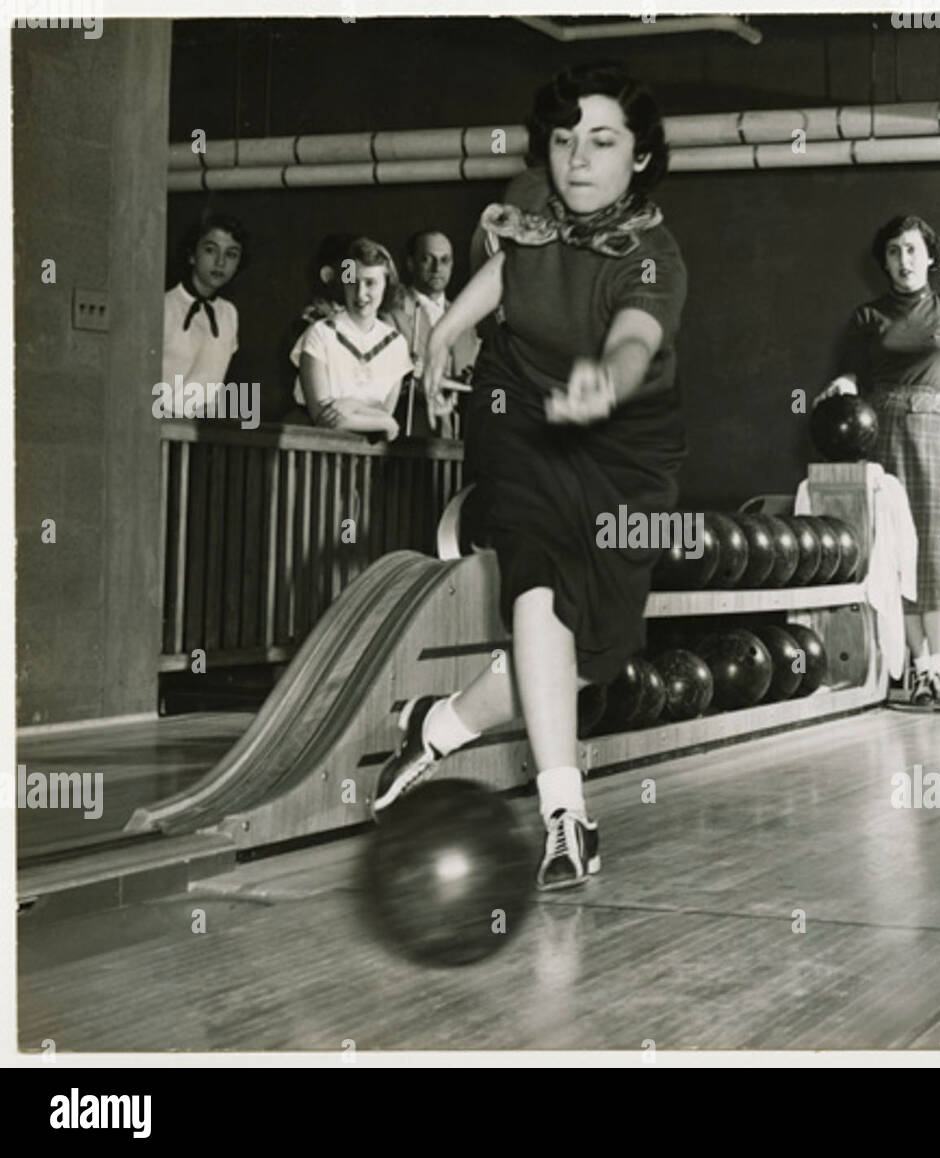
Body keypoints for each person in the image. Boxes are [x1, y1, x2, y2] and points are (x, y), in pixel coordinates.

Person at [374, 62, 687, 892]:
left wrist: (606, 382)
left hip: (625, 447)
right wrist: (444, 333)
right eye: (563, 140)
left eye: (603, 141)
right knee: (538, 577)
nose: (577, 158)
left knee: (596, 652)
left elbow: (633, 338)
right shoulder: (534, 207)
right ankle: (565, 818)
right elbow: (510, 268)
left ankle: (437, 726)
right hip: (518, 416)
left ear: (641, 158)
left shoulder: (653, 255)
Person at [820, 215, 940, 707]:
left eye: (912, 250)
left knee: (939, 549)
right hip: (884, 433)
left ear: (930, 256)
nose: (904, 261)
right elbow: (848, 374)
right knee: (897, 549)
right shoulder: (868, 317)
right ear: (884, 262)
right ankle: (921, 669)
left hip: (935, 432)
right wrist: (843, 386)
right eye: (893, 252)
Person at [290, 236, 412, 440]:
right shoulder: (320, 333)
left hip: (368, 457)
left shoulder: (395, 343)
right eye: (352, 282)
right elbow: (324, 418)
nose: (360, 293)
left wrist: (352, 405)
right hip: (316, 450)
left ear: (386, 285)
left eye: (370, 283)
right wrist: (386, 423)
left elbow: (386, 412)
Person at [387, 230, 480, 436]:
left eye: (445, 260)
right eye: (428, 259)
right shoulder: (392, 316)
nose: (438, 268)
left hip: (460, 440)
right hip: (412, 435)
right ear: (411, 263)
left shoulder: (467, 318)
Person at [161, 213, 248, 405]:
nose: (220, 262)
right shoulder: (163, 306)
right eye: (210, 250)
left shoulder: (229, 314)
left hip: (202, 430)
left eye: (231, 254)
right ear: (192, 255)